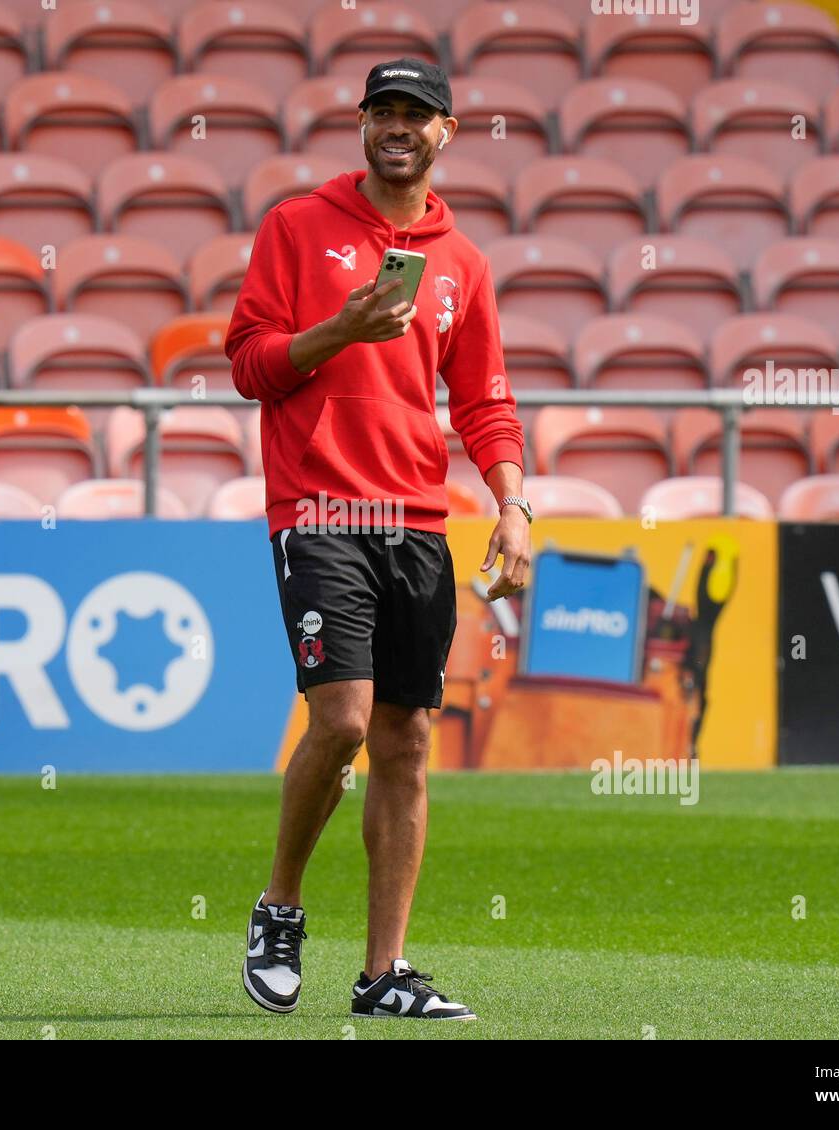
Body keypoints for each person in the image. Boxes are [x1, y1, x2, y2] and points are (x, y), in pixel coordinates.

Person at [225, 57, 533, 1021]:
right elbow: (249, 365)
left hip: (417, 524)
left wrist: (514, 504)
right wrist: (339, 331)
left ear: (447, 131)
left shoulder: (464, 262)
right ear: (362, 124)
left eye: (417, 113)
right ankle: (279, 906)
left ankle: (383, 975)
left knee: (404, 742)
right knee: (346, 721)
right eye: (383, 111)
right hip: (319, 513)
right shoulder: (296, 227)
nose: (398, 126)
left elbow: (484, 400)